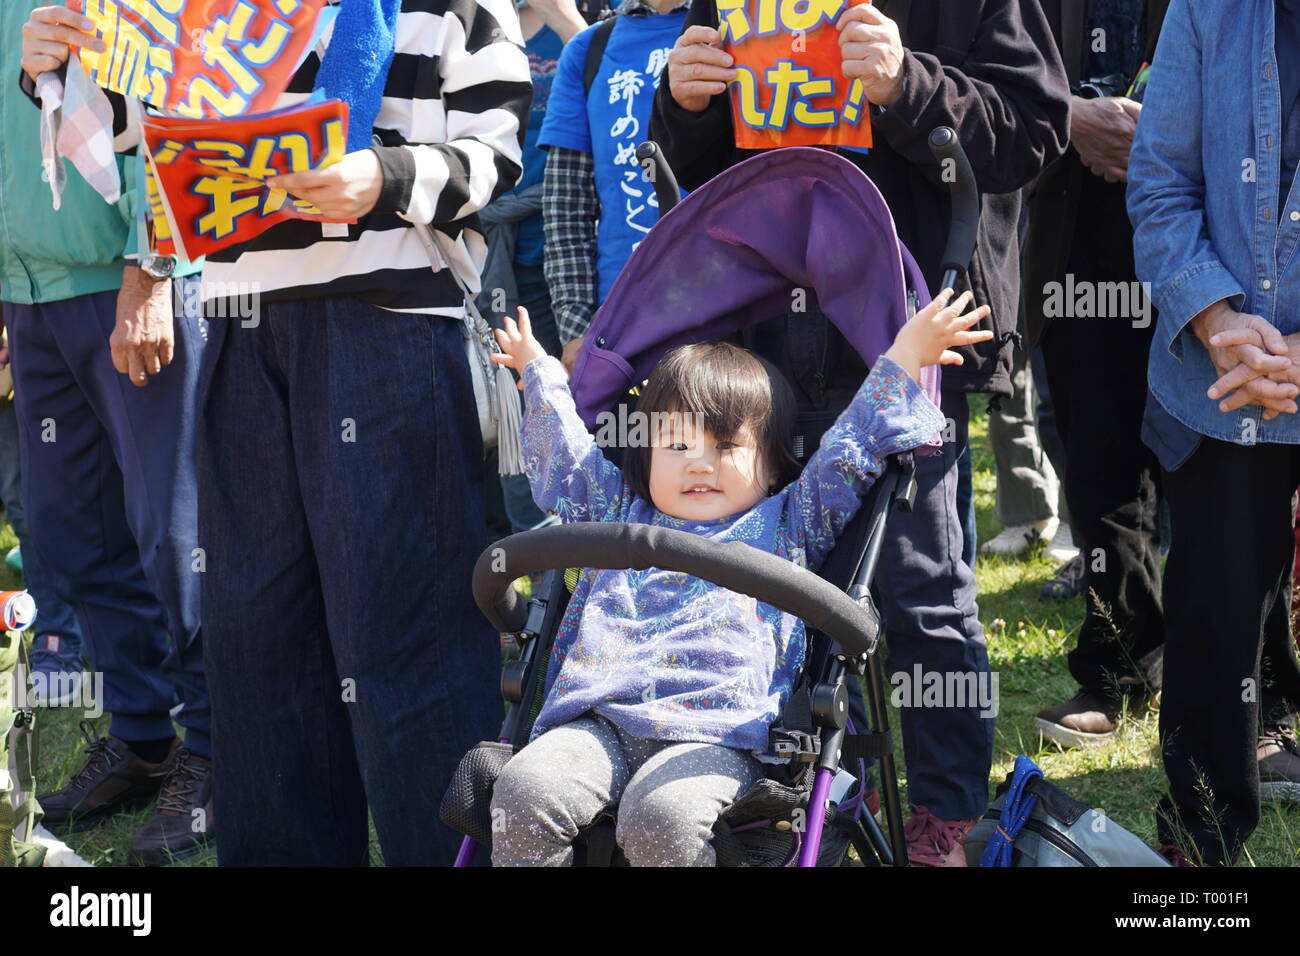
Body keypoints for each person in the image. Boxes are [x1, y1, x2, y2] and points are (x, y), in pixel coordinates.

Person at [650, 0, 1070, 865]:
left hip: (909, 323)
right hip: (762, 326)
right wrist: (682, 104)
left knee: (919, 585)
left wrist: (907, 84)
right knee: (770, 578)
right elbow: (697, 168)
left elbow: (1032, 130)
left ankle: (943, 822)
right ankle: (817, 799)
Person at [487, 289, 991, 866]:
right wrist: (539, 373)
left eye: (726, 446)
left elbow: (850, 448)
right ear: (646, 454)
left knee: (665, 820)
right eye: (676, 444)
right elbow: (569, 459)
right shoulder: (618, 513)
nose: (698, 463)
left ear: (773, 463)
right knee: (523, 792)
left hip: (720, 732)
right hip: (597, 719)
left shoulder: (790, 524)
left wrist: (906, 353)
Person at [194, 0, 531, 865]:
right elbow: (144, 136)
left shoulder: (459, 9)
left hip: (388, 329)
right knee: (256, 629)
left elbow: (493, 160)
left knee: (406, 624)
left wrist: (382, 176)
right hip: (241, 321)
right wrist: (62, 68)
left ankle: (446, 851)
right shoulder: (227, 9)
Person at [12, 2, 214, 865]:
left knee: (178, 540)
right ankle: (143, 736)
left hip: (135, 282)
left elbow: (179, 101)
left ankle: (216, 753)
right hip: (31, 295)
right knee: (69, 536)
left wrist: (150, 267)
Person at [1128, 0, 1300, 864]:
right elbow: (1159, 181)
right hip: (1221, 380)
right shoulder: (1206, 9)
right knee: (1214, 622)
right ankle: (1201, 842)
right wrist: (1221, 320)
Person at [1028, 0, 1170, 748]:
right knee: (1097, 462)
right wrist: (1071, 116)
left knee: (1232, 471)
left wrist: (1168, 132)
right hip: (1077, 232)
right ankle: (1119, 668)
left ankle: (1257, 690)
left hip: (1218, 222)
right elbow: (989, 69)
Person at [539, 0, 690, 372]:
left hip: (730, 320)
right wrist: (577, 330)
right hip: (617, 330)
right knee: (629, 432)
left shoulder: (740, 32)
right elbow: (566, 204)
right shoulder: (589, 48)